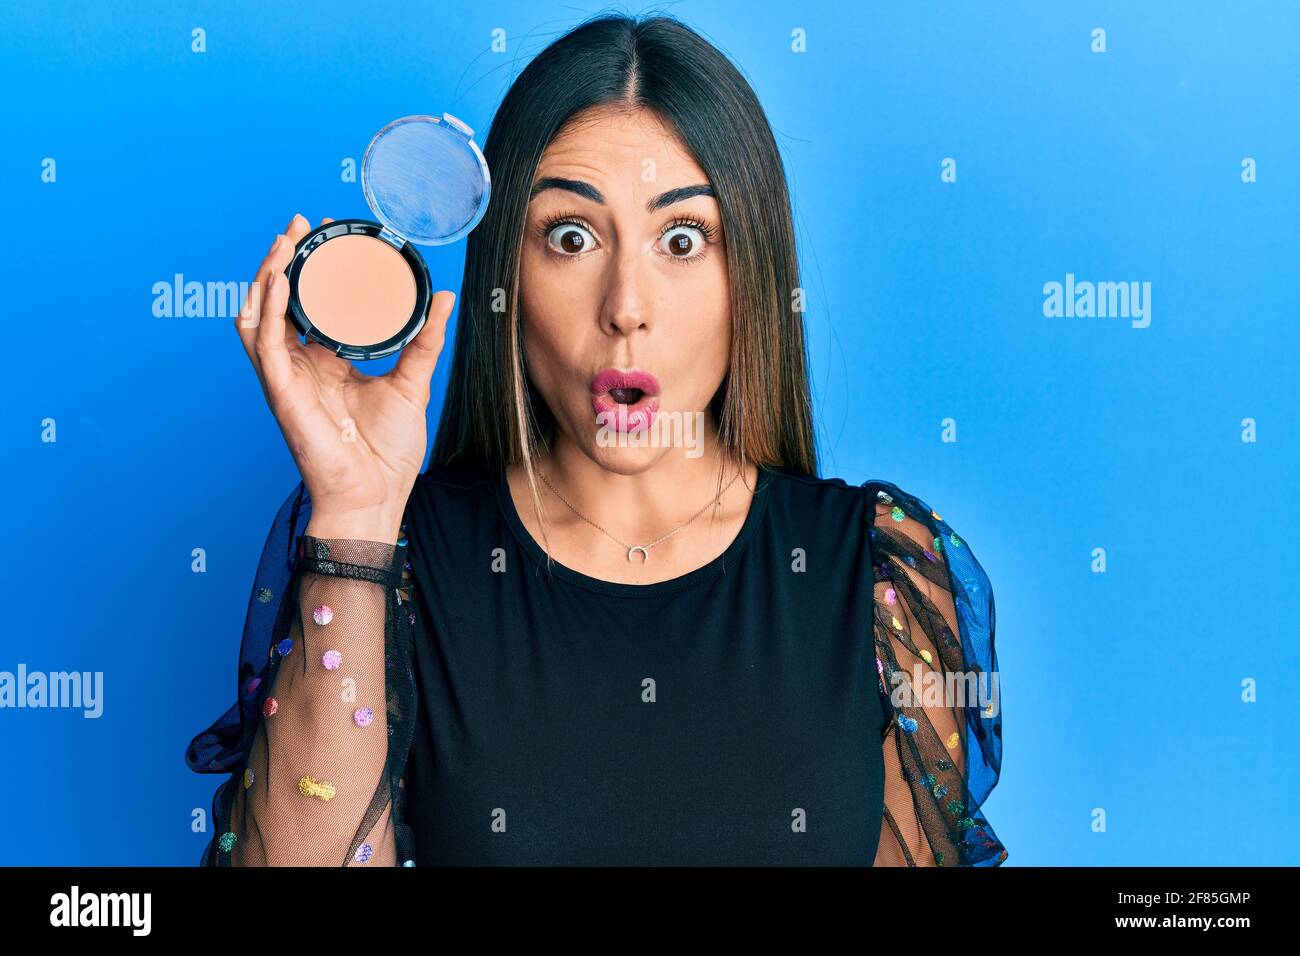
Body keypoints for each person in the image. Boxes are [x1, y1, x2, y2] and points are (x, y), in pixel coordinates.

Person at [185, 13, 1006, 867]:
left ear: (750, 274)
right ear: (508, 272)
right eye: (570, 237)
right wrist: (355, 508)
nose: (626, 305)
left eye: (683, 240)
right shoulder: (396, 563)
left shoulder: (880, 576)